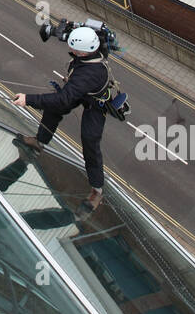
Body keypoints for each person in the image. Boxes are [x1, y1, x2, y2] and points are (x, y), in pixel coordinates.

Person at [12, 26, 117, 214]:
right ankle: (39, 141)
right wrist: (56, 30)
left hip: (95, 101)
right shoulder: (92, 42)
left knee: (90, 139)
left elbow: (63, 99)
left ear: (84, 51)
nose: (72, 50)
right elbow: (74, 35)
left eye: (75, 49)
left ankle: (97, 189)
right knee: (53, 110)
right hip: (81, 88)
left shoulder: (88, 74)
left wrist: (28, 99)